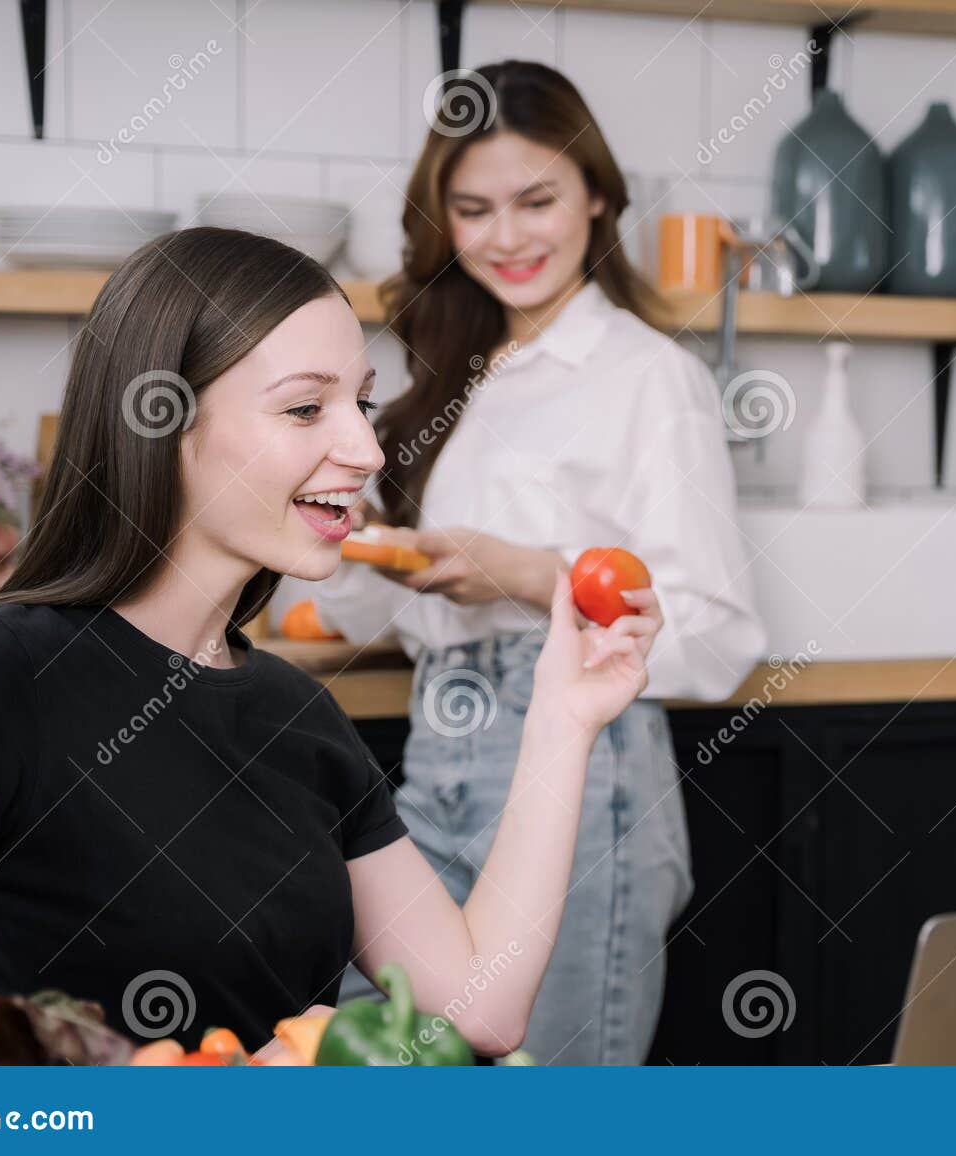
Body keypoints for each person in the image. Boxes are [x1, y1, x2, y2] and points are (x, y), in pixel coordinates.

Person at [0, 226, 663, 1061]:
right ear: (164, 422)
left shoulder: (302, 720)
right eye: (305, 408)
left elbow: (481, 1009)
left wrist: (563, 719)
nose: (365, 449)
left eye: (360, 403)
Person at [312, 60, 765, 1064]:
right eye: (473, 209)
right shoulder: (450, 378)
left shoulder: (649, 377)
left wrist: (523, 574)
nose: (507, 238)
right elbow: (373, 620)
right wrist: (344, 541)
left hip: (581, 761)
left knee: (545, 1090)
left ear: (596, 196)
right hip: (437, 749)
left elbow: (718, 636)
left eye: (537, 200)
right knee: (372, 1062)